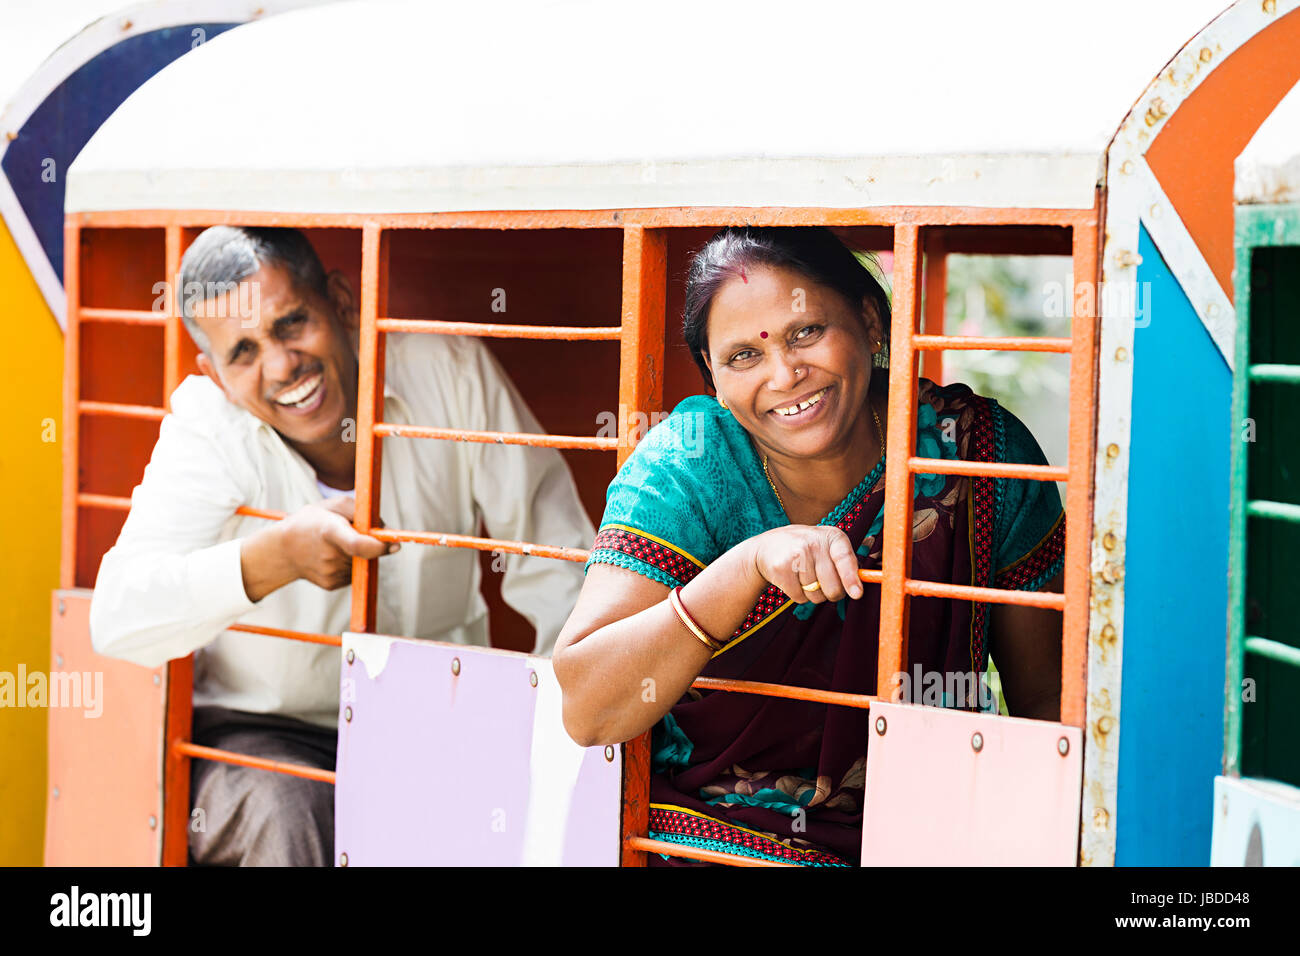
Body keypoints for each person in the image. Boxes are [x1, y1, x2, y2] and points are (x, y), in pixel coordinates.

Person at [552, 226, 1065, 866]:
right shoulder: (689, 463)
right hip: (711, 845)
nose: (785, 374)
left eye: (806, 333)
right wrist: (746, 568)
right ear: (712, 374)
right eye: (743, 356)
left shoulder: (978, 451)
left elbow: (1047, 702)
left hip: (930, 836)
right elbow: (588, 710)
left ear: (871, 321)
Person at [89, 226, 594, 866]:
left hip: (435, 718)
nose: (280, 365)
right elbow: (117, 619)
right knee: (292, 813)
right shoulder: (208, 427)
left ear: (342, 301)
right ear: (214, 375)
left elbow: (555, 560)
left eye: (290, 323)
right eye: (242, 351)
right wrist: (271, 560)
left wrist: (550, 737)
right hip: (265, 738)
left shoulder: (448, 372)